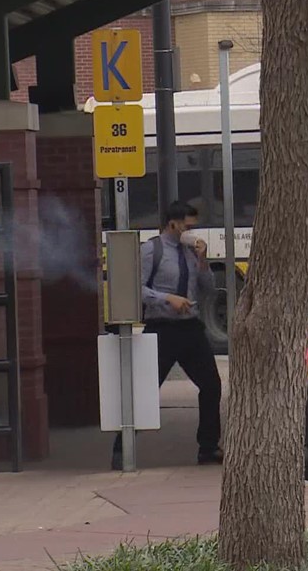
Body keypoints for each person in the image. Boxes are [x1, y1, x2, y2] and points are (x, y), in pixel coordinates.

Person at [111, 201, 223, 470]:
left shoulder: (189, 252)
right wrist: (167, 298)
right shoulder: (152, 250)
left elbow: (209, 288)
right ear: (173, 223)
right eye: (188, 225)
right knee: (146, 388)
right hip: (163, 327)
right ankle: (121, 447)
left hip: (190, 328)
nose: (191, 230)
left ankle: (208, 447)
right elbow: (135, 288)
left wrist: (203, 259)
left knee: (211, 385)